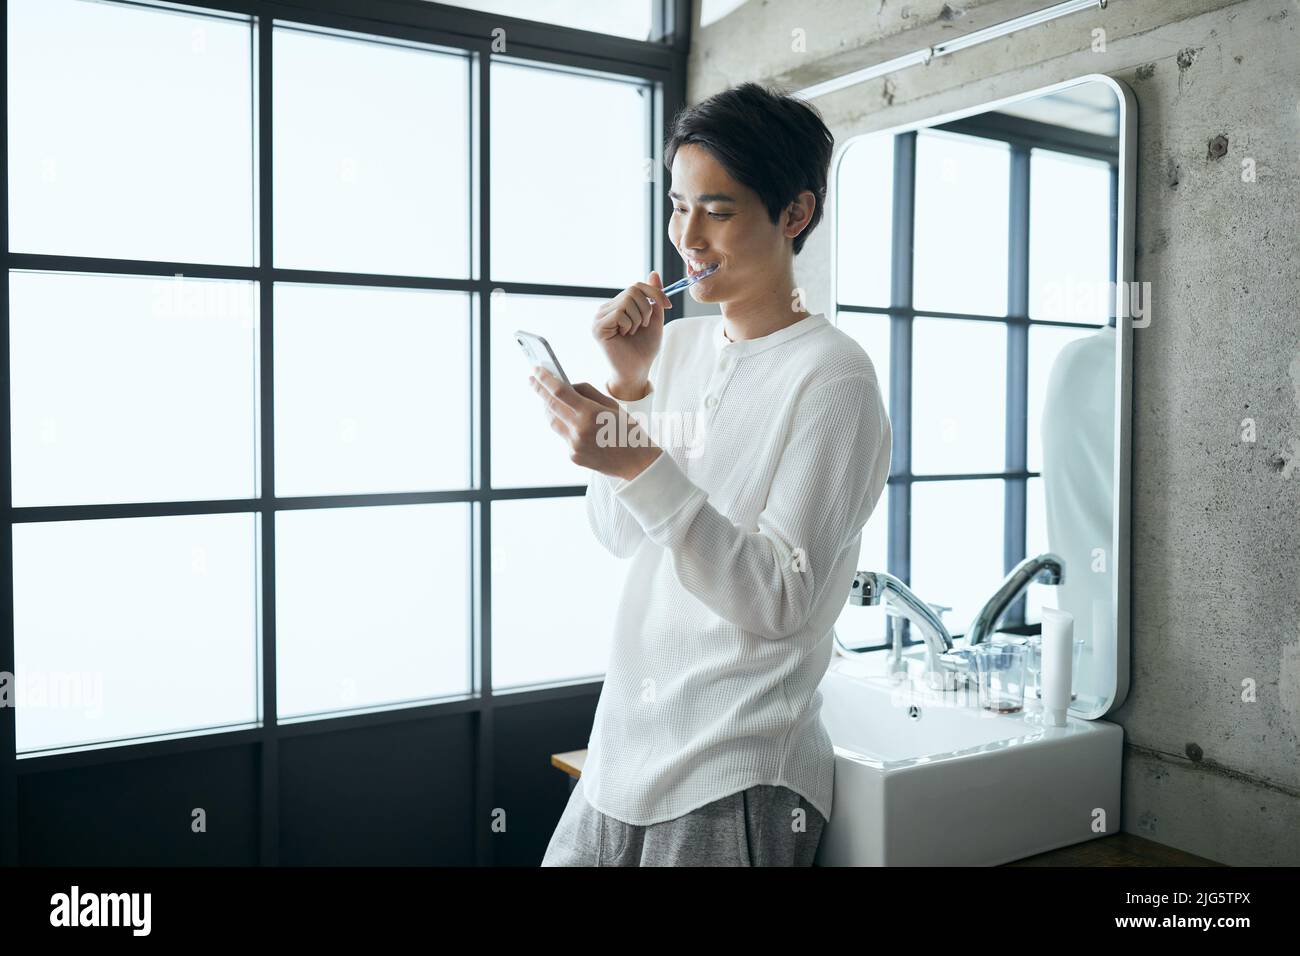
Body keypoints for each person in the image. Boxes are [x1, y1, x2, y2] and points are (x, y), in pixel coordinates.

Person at [528, 82, 891, 866]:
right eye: (677, 205)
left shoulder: (834, 379)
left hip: (734, 774)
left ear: (794, 214)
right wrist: (629, 384)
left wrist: (637, 457)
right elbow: (620, 534)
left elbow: (780, 596)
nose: (687, 236)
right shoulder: (680, 349)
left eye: (718, 211)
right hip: (621, 749)